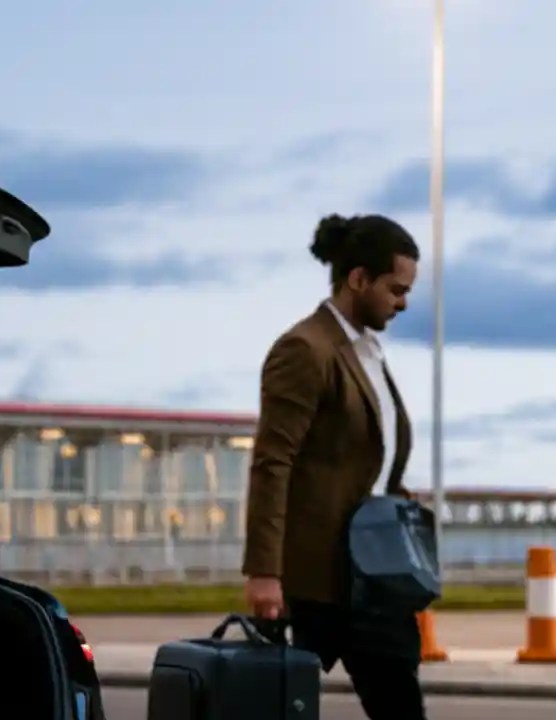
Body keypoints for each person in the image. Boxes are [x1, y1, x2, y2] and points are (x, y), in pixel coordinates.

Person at [241, 213, 425, 720]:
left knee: (399, 704)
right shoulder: (306, 349)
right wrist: (264, 572)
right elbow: (273, 462)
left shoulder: (367, 353)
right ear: (358, 279)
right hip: (318, 579)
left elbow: (368, 460)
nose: (403, 303)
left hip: (373, 576)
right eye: (396, 289)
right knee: (279, 705)